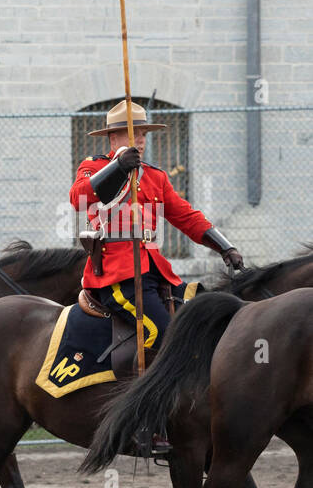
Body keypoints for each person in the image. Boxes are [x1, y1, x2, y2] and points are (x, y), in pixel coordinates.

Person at [70, 99, 242, 351]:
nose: (140, 140)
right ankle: (150, 391)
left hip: (156, 270)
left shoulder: (155, 176)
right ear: (113, 138)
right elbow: (79, 198)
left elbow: (186, 216)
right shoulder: (94, 167)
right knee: (164, 335)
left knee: (207, 312)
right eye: (133, 134)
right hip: (117, 275)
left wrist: (225, 247)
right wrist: (118, 167)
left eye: (143, 134)